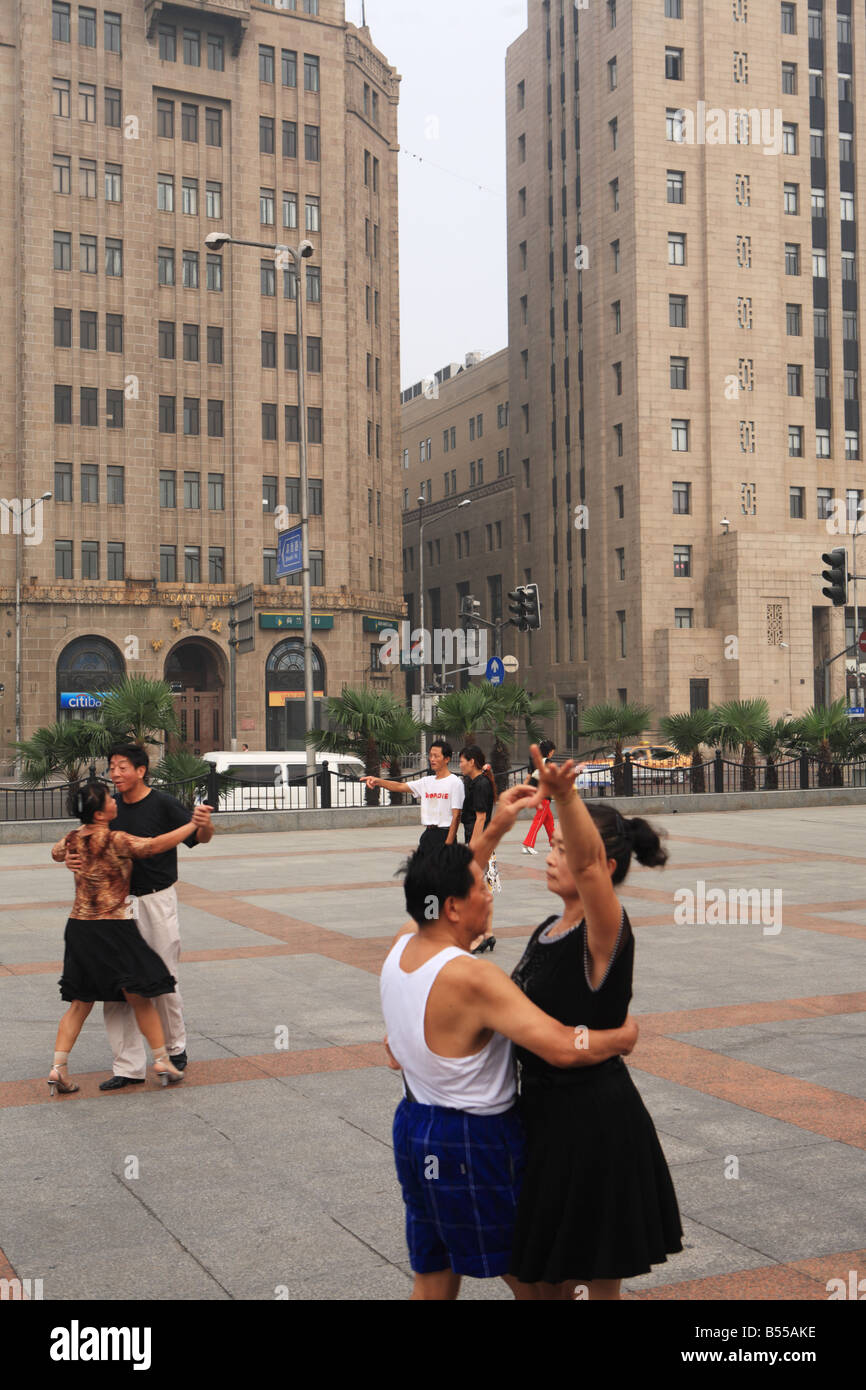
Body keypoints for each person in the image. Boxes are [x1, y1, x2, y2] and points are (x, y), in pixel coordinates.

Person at [379, 783, 639, 1302]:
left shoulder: (403, 948)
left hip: (414, 1127)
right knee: (538, 1284)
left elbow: (444, 884)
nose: (490, 891)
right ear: (454, 908)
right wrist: (620, 1037)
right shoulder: (473, 978)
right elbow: (562, 1047)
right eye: (483, 888)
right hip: (473, 1142)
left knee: (433, 1276)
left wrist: (495, 827)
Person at [509, 749, 682, 1299]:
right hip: (542, 1115)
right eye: (552, 848)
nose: (552, 858)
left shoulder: (603, 930)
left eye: (563, 849)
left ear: (605, 868)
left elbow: (586, 868)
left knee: (592, 1277)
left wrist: (564, 796)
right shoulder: (548, 926)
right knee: (539, 1271)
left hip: (592, 1120)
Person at [60, 745, 213, 1091]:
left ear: (141, 771)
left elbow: (199, 838)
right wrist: (69, 858)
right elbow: (81, 843)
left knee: (162, 977)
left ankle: (175, 1052)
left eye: (122, 767)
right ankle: (128, 1066)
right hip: (116, 909)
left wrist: (202, 825)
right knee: (116, 987)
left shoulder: (162, 804)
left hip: (156, 900)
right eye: (112, 767)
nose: (114, 773)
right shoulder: (108, 809)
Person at [366, 739, 464, 856]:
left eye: (436, 756)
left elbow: (456, 815)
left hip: (445, 834)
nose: (432, 759)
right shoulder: (426, 781)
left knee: (444, 873)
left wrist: (448, 844)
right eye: (431, 755)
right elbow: (400, 786)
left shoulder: (455, 782)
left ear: (447, 759)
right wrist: (378, 781)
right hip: (428, 835)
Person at [458, 746, 499, 954]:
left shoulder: (480, 784)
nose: (460, 764)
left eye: (462, 760)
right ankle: (488, 933)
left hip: (480, 843)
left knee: (475, 890)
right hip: (484, 842)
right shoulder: (473, 782)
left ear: (472, 761)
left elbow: (481, 817)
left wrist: (472, 848)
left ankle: (478, 936)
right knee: (484, 890)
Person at [522, 739, 556, 855]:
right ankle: (528, 844)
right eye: (552, 751)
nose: (553, 753)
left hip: (535, 794)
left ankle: (554, 844)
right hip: (544, 796)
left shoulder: (535, 761)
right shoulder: (548, 762)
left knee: (549, 821)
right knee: (538, 821)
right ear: (549, 751)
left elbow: (528, 777)